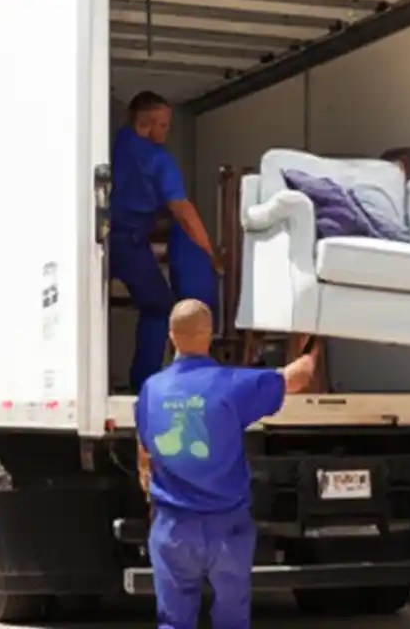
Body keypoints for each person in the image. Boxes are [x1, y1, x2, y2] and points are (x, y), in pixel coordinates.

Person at [135, 300, 321, 629]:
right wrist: (314, 345)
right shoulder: (233, 385)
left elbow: (145, 453)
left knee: (174, 622)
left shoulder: (151, 390)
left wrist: (151, 497)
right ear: (210, 334)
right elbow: (298, 377)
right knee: (232, 619)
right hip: (227, 527)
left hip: (173, 527)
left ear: (171, 335)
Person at [111, 91, 219, 393]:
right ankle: (143, 382)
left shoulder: (120, 143)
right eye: (165, 125)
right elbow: (183, 211)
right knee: (159, 307)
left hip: (106, 240)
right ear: (147, 123)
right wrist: (209, 251)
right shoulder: (159, 160)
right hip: (129, 245)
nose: (167, 132)